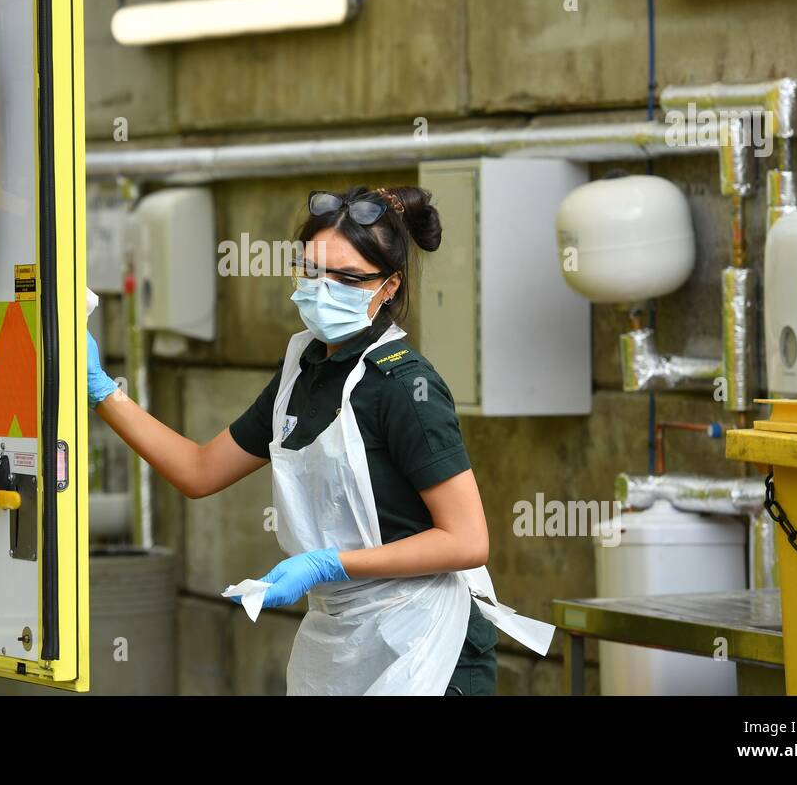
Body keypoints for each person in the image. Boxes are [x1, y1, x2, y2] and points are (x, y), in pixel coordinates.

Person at [88, 185, 550, 695]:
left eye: (348, 277)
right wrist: (103, 390)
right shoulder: (302, 369)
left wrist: (327, 564)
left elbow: (467, 540)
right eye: (311, 270)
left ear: (389, 286)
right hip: (338, 637)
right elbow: (199, 471)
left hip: (427, 644)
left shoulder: (404, 386)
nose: (323, 287)